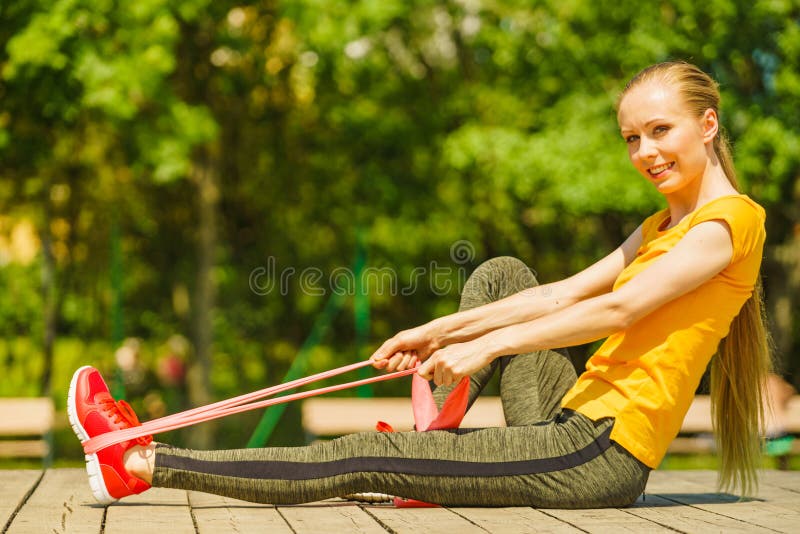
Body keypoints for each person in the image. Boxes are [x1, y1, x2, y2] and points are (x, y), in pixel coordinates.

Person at [68, 60, 770, 508]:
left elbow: (618, 309)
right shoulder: (660, 228)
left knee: (366, 456)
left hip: (596, 456)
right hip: (567, 418)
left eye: (659, 130)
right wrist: (439, 332)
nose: (645, 151)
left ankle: (138, 461)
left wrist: (479, 348)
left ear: (707, 126)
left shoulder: (729, 223)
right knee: (503, 274)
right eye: (631, 138)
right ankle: (439, 435)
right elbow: (559, 294)